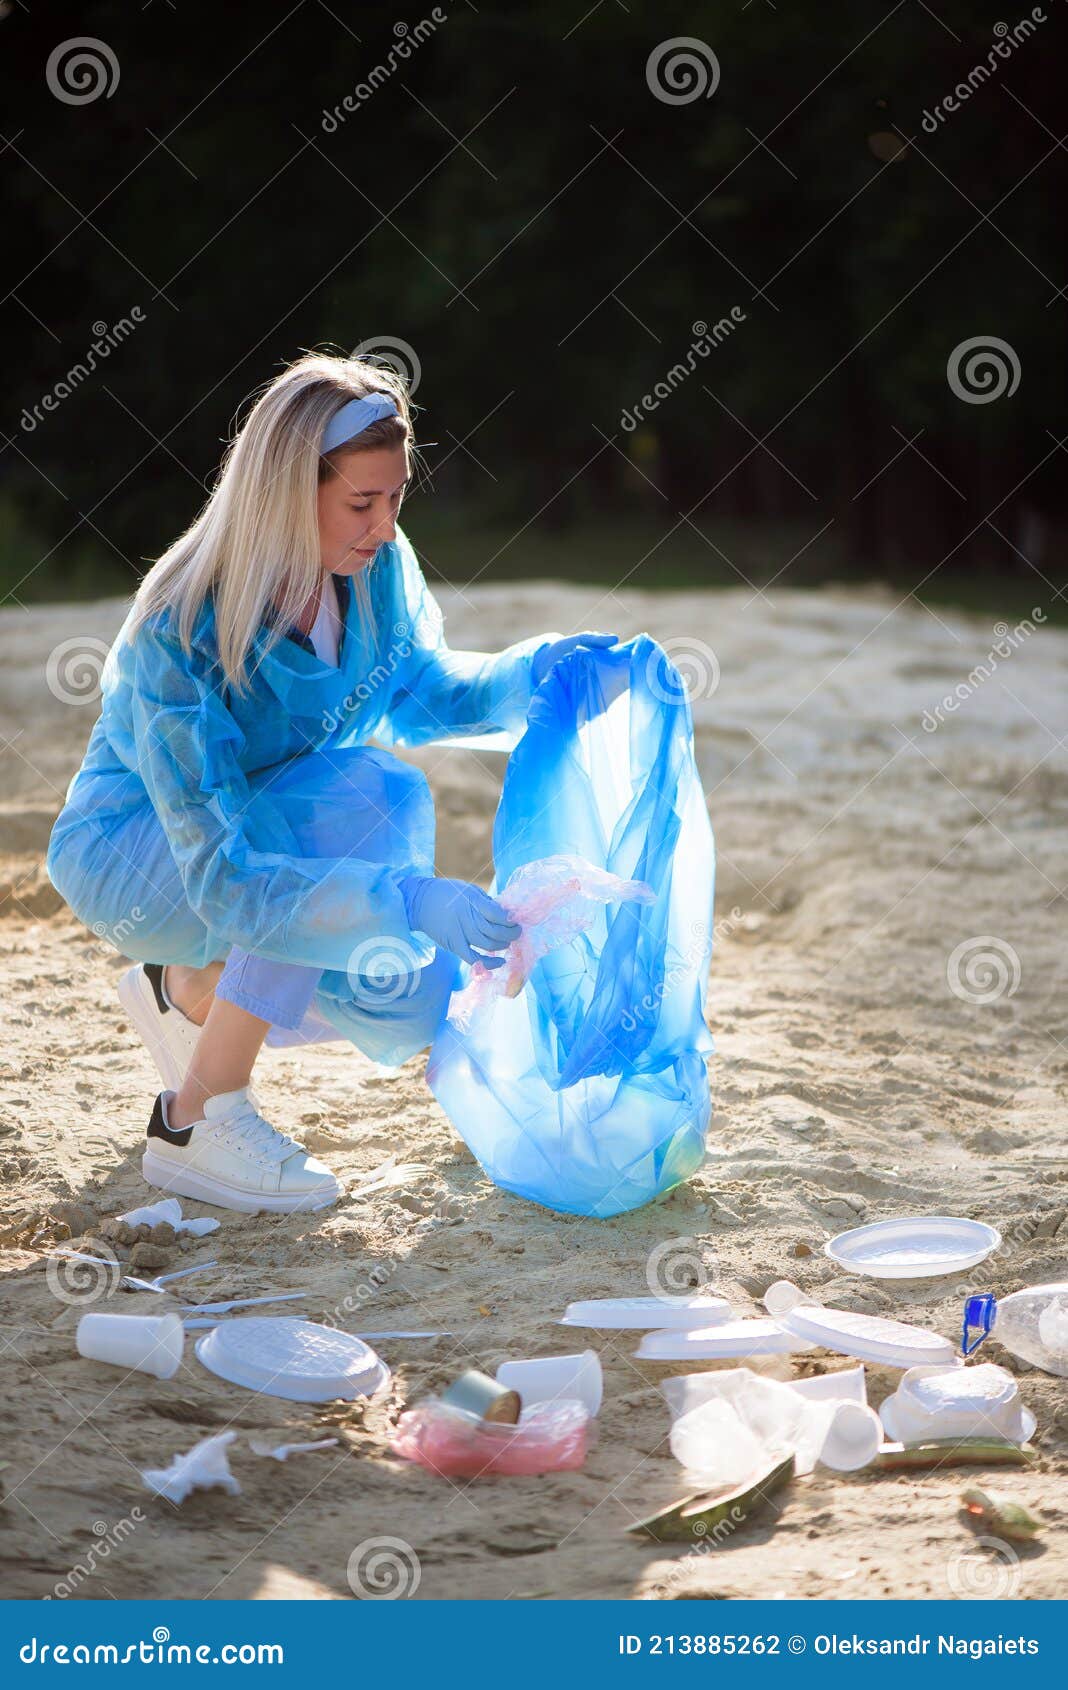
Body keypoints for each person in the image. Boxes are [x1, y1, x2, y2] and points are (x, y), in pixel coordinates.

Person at [45, 352, 616, 1214]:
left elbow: (425, 694)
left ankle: (189, 992)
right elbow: (227, 872)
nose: (384, 527)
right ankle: (196, 1118)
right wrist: (408, 899)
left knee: (407, 1001)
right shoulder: (181, 624)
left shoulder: (372, 569)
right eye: (362, 502)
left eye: (394, 500)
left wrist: (536, 673)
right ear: (282, 491)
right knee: (361, 808)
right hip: (139, 854)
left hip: (279, 838)